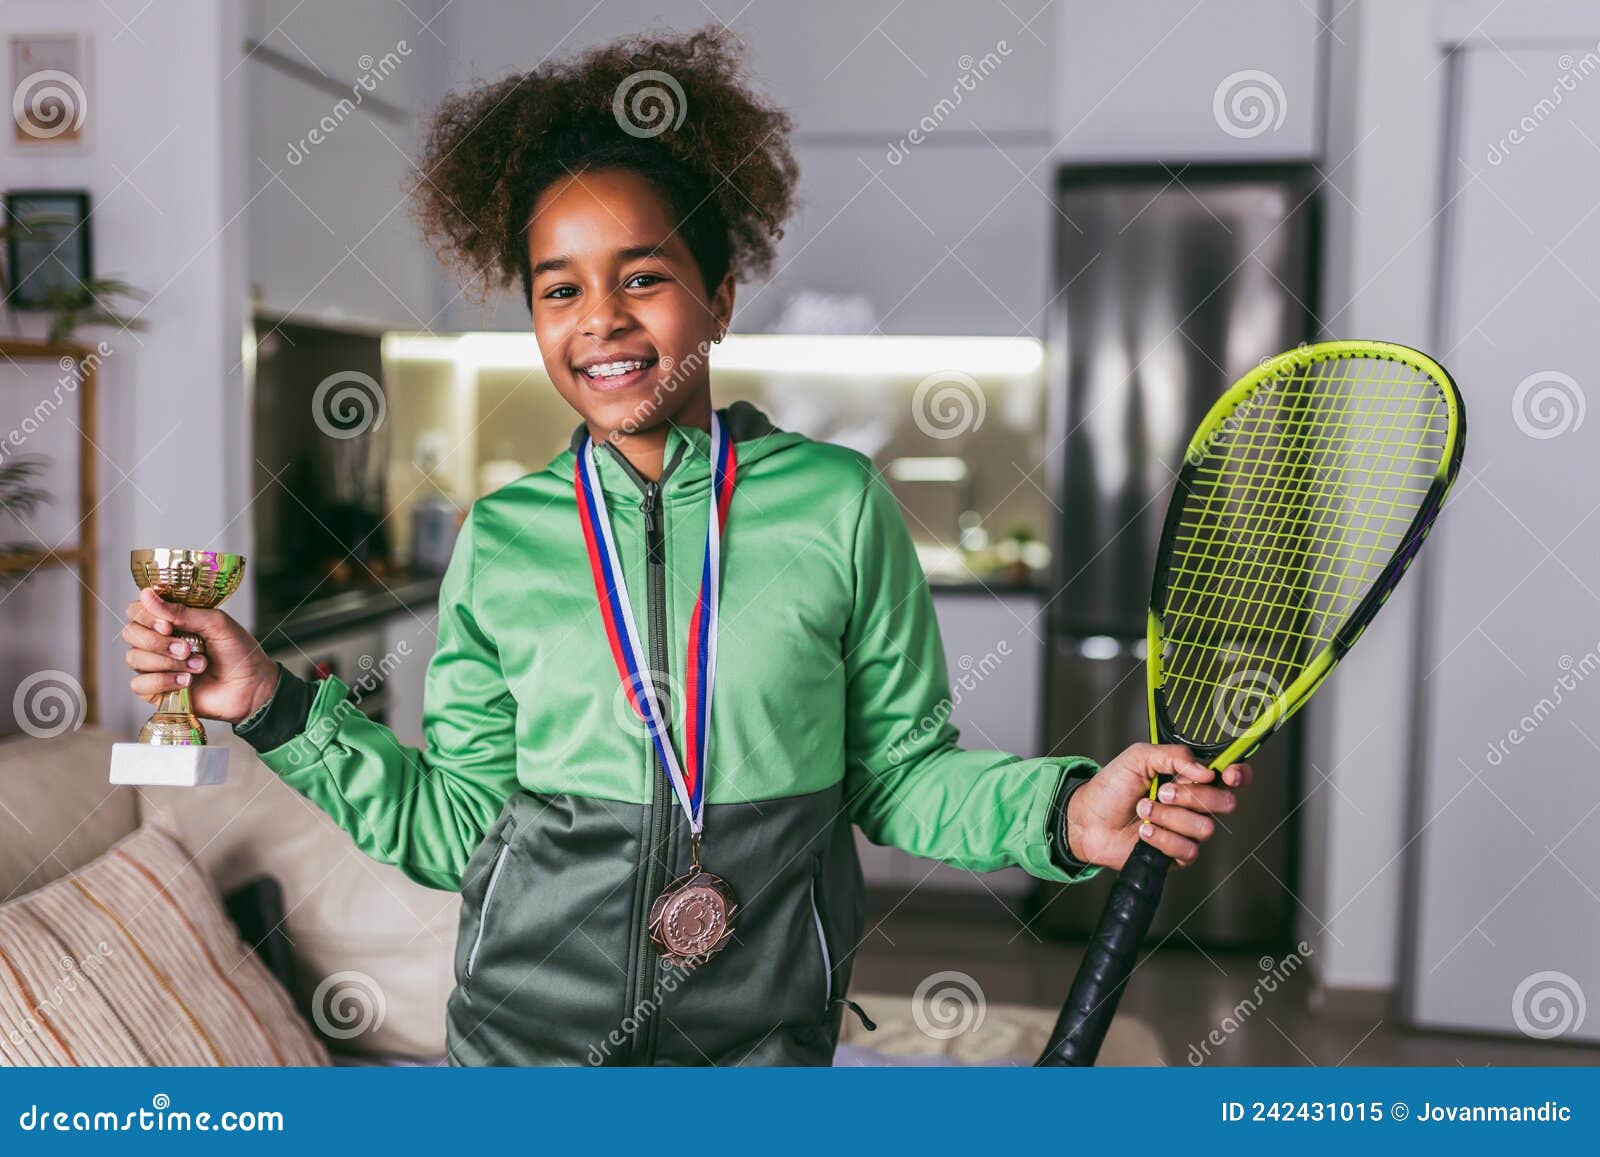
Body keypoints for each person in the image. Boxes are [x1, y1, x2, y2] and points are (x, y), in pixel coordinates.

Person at [120, 26, 1250, 1066]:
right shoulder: (504, 537)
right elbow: (451, 825)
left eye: (642, 276)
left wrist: (1062, 810)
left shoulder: (838, 505)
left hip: (759, 1053)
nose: (600, 317)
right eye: (559, 288)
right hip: (523, 1055)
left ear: (718, 298)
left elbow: (899, 777)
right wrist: (272, 702)